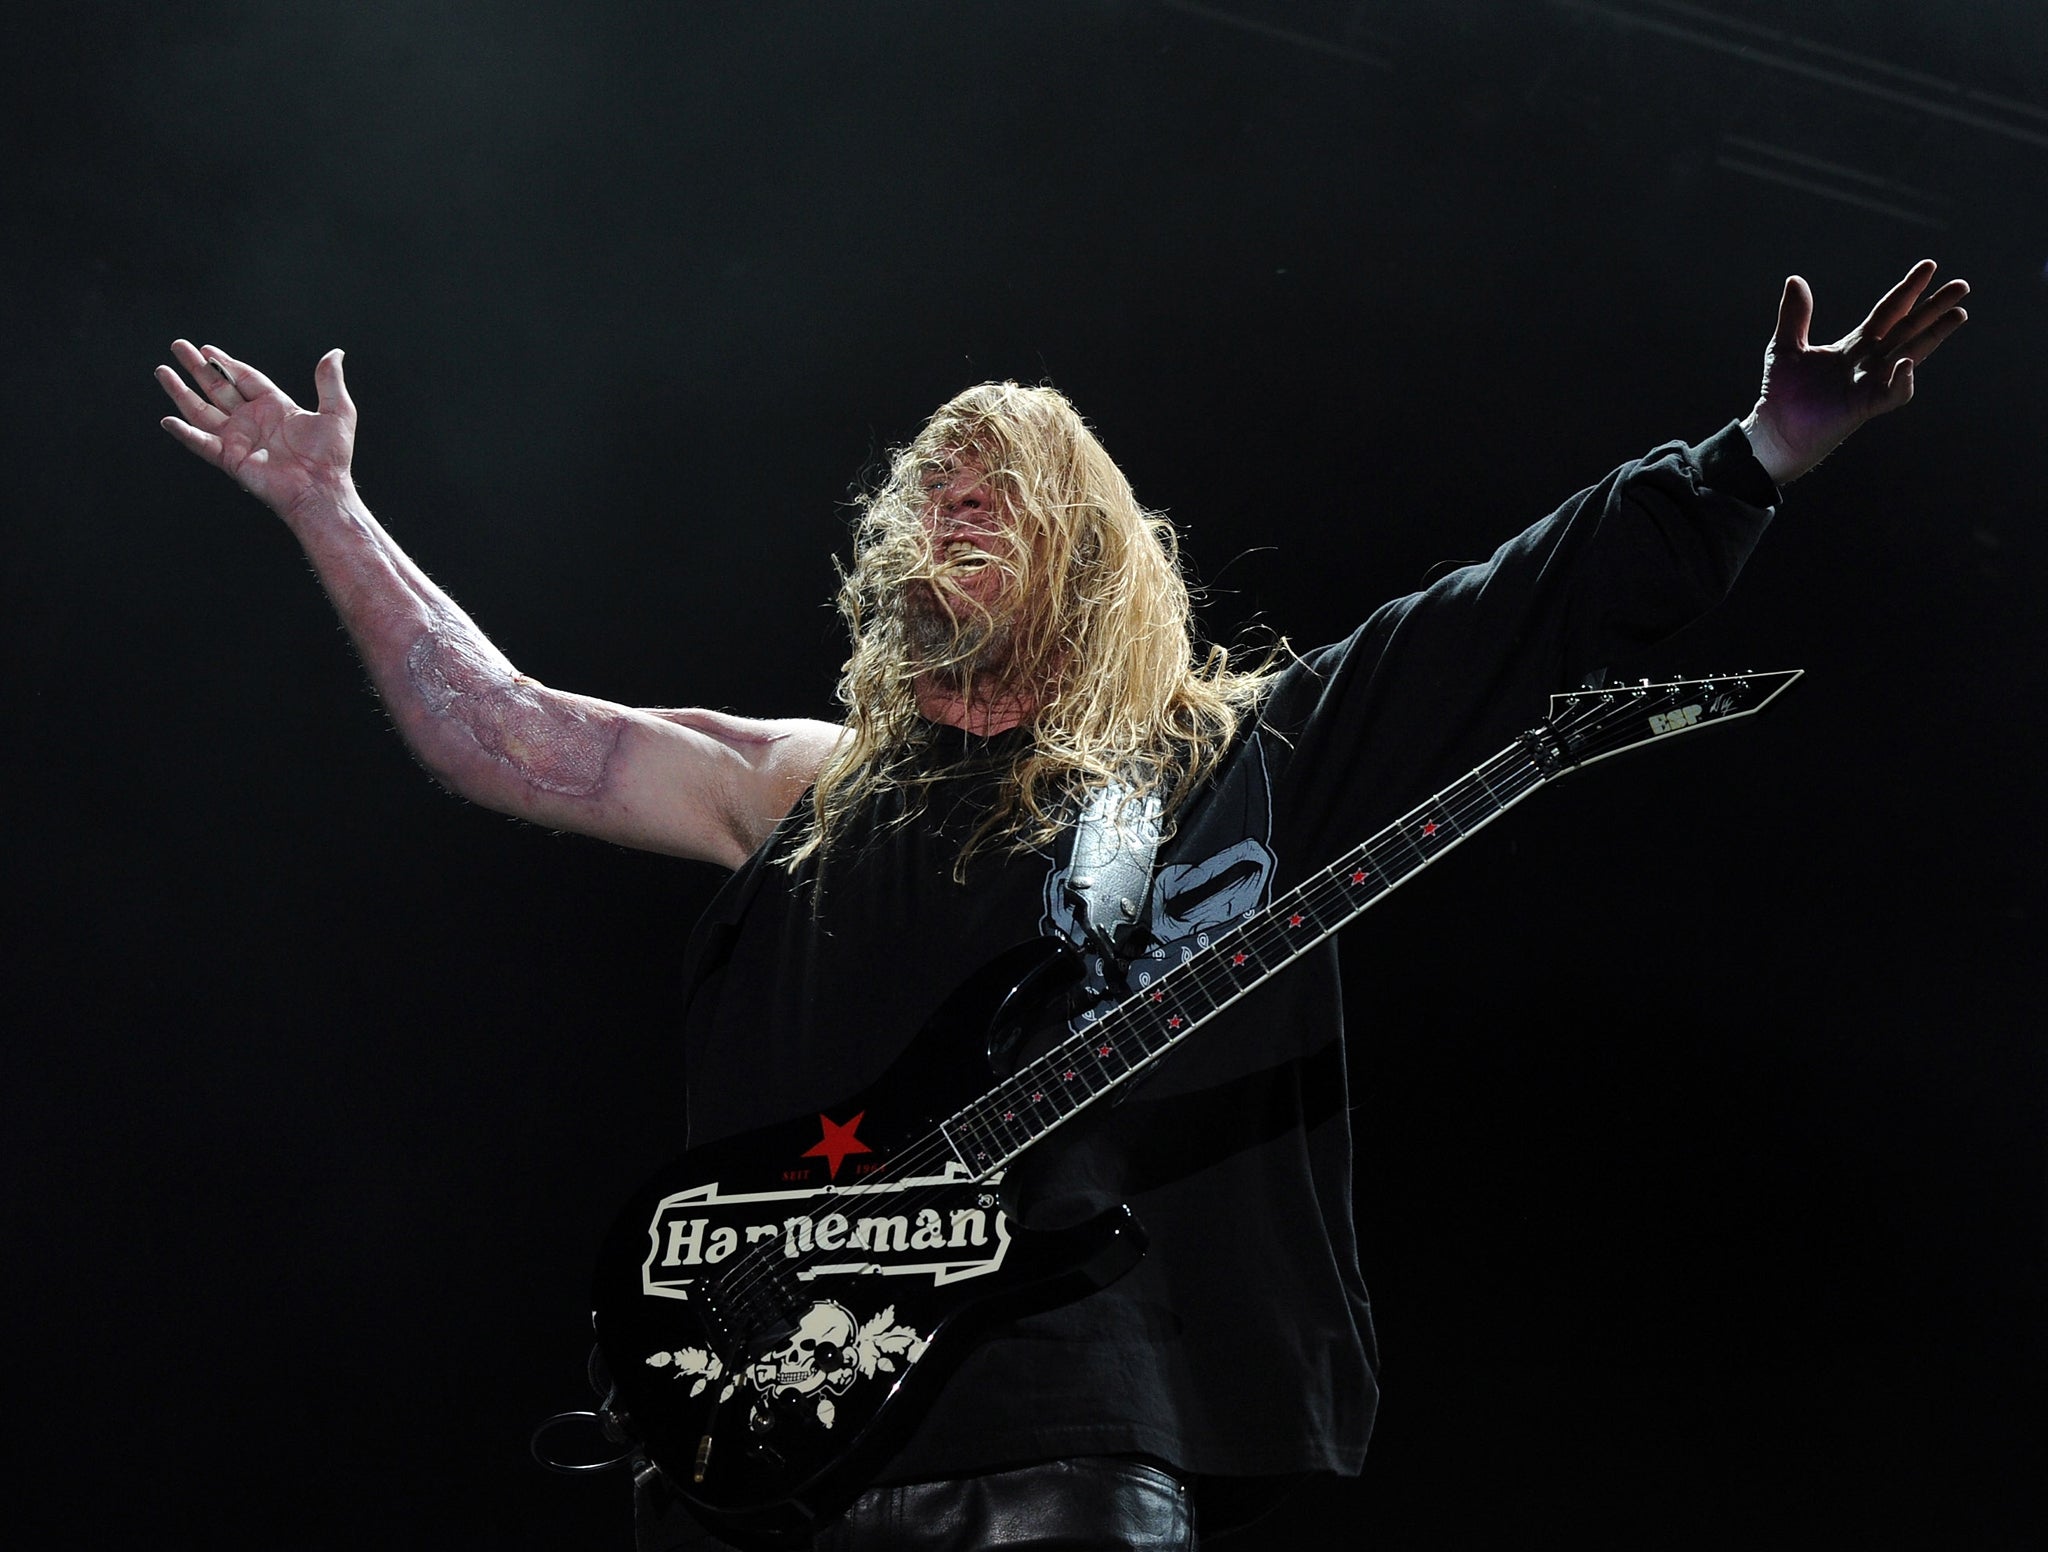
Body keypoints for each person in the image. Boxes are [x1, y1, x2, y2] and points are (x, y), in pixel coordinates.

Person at [157, 262, 1968, 1550]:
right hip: (756, 1427)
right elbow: (515, 733)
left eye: (997, 498)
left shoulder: (1222, 765)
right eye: (933, 495)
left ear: (1088, 552)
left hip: (1061, 1425)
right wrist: (329, 509)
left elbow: (1503, 616)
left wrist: (1754, 454)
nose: (952, 515)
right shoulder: (802, 782)